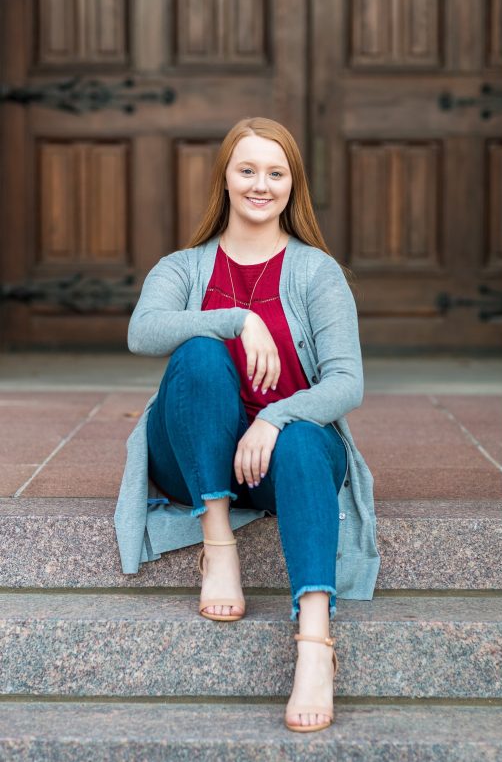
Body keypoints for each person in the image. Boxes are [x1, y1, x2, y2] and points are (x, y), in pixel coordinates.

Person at [114, 116, 380, 733]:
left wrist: (277, 419)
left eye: (276, 172)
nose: (262, 184)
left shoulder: (317, 273)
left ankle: (315, 644)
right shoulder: (183, 267)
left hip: (278, 460)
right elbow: (141, 332)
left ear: (293, 184)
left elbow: (347, 384)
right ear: (226, 179)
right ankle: (218, 541)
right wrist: (233, 318)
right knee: (201, 353)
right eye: (248, 170)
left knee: (307, 439)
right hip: (191, 453)